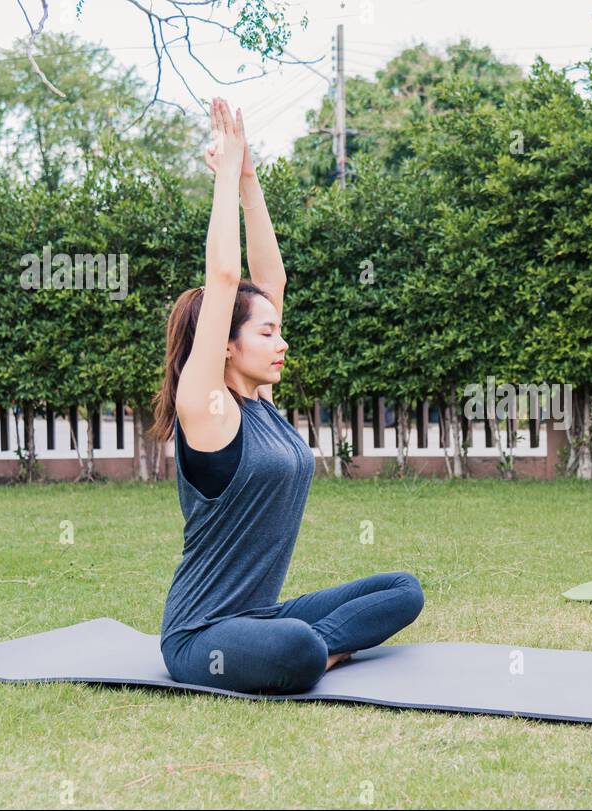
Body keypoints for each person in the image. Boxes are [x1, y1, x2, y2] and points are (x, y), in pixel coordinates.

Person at [149, 97, 424, 693]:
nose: (281, 343)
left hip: (262, 618)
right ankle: (315, 651)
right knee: (300, 647)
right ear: (225, 344)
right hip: (203, 634)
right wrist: (222, 177)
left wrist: (249, 177)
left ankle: (310, 648)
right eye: (265, 333)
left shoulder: (263, 407)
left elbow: (267, 280)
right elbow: (225, 278)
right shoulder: (209, 410)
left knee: (403, 590)